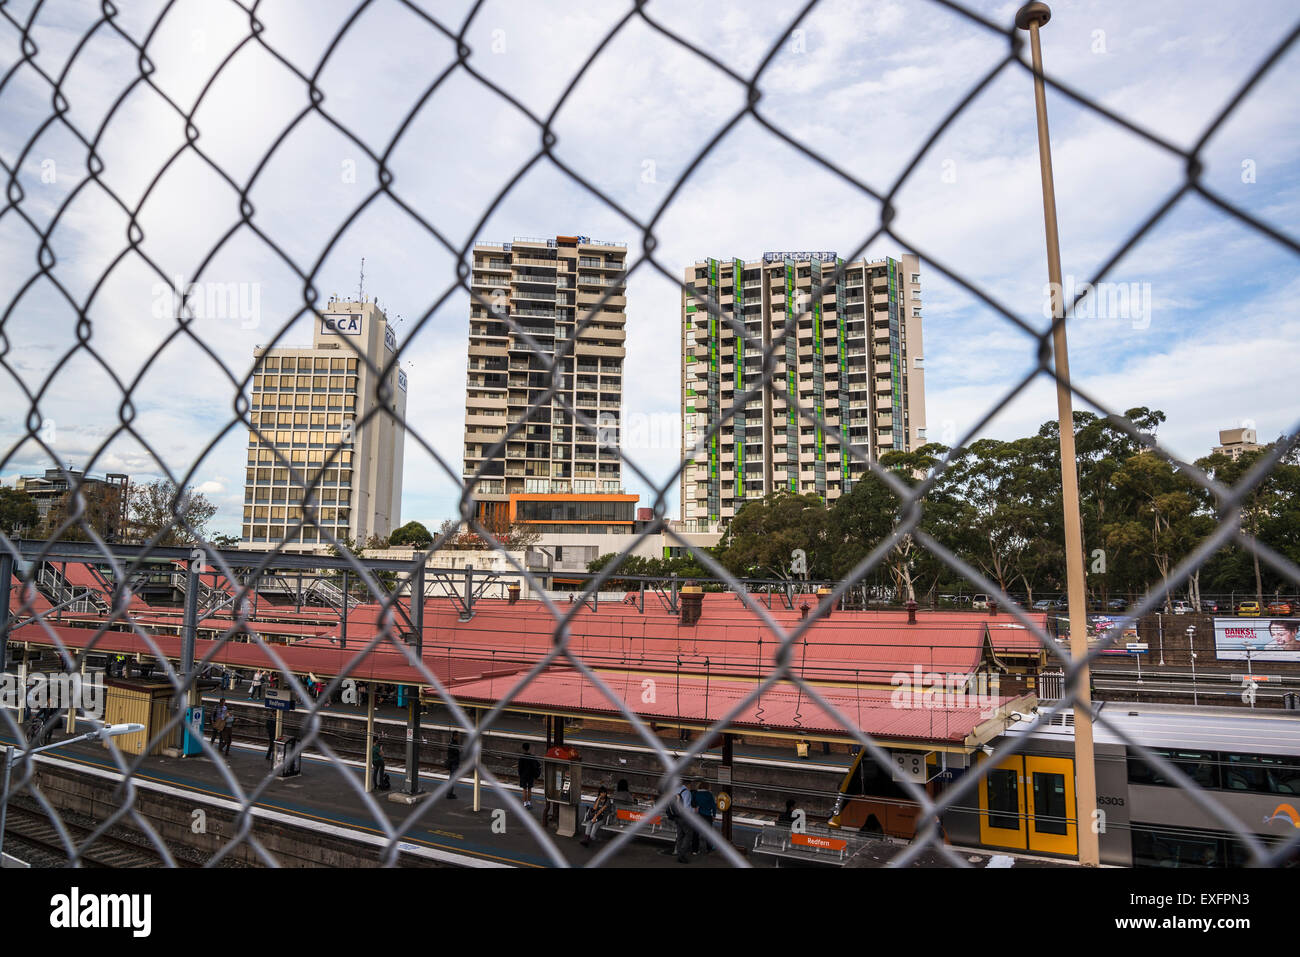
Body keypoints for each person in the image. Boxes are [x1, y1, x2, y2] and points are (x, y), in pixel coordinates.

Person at [659, 781, 693, 864]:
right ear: (687, 784)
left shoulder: (674, 791)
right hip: (684, 817)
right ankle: (682, 854)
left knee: (680, 835)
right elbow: (686, 808)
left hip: (675, 816)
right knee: (689, 835)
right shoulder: (686, 792)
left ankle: (678, 852)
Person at [690, 780, 717, 854]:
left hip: (698, 815)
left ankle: (695, 850)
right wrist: (714, 815)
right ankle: (709, 848)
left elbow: (692, 803)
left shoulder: (695, 793)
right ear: (708, 786)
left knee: (696, 833)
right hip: (707, 816)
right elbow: (714, 806)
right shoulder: (709, 794)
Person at [518, 742, 541, 809]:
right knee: (530, 789)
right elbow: (538, 765)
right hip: (530, 775)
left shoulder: (521, 757)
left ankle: (525, 803)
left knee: (524, 789)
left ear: (523, 748)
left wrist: (520, 775)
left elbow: (520, 768)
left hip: (523, 775)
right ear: (529, 748)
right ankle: (529, 803)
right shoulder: (532, 757)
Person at [446, 733, 460, 799]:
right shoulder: (453, 744)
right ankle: (449, 794)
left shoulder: (453, 743)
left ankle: (450, 793)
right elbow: (455, 754)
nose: (458, 737)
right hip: (454, 764)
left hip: (453, 763)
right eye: (457, 736)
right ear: (455, 736)